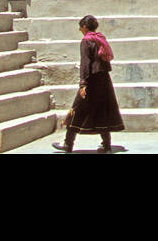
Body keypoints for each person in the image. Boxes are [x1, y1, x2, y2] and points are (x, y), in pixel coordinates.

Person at [53, 16, 124, 153]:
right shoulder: (100, 38)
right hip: (104, 79)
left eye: (80, 26)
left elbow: (85, 63)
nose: (80, 29)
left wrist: (83, 84)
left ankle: (68, 144)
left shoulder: (86, 41)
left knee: (77, 108)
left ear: (85, 27)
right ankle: (107, 145)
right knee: (103, 110)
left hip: (91, 80)